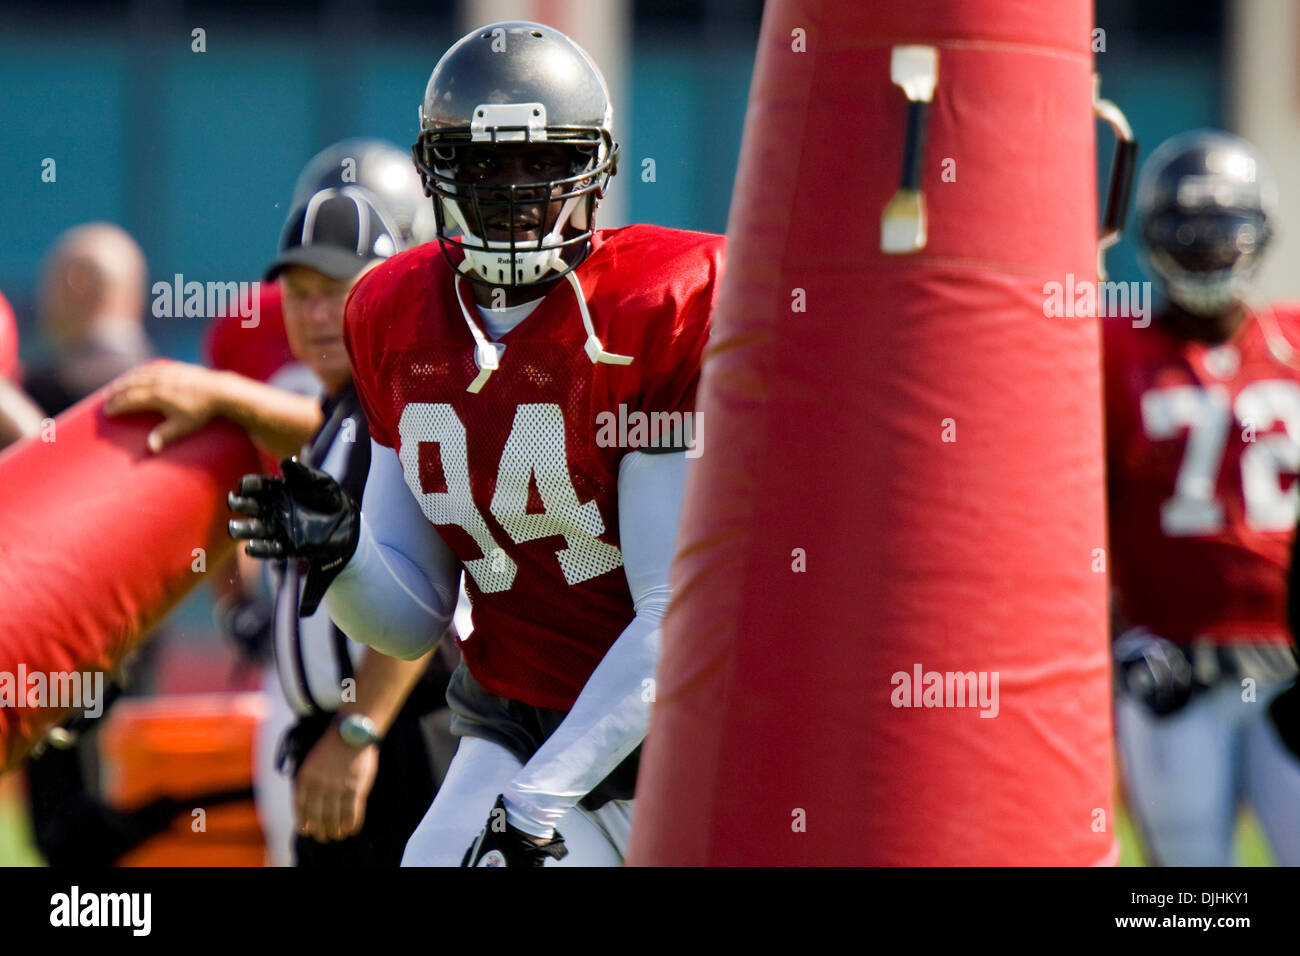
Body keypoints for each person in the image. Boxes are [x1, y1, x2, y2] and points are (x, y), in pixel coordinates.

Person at [229, 19, 725, 867]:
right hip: (513, 718)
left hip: (683, 744)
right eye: (486, 163)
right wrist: (344, 558)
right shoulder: (392, 312)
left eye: (542, 161)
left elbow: (671, 616)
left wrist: (533, 807)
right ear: (439, 170)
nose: (515, 192)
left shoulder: (658, 306)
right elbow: (412, 617)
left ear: (594, 167)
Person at [110, 187, 455, 866]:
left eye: (336, 289)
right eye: (300, 296)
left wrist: (359, 730)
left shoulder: (408, 402)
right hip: (343, 732)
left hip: (398, 737)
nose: (318, 314)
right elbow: (300, 421)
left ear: (384, 287)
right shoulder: (342, 412)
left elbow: (431, 591)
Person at [1105, 129, 1300, 866]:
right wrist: (1119, 636)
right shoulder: (1111, 350)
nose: (1207, 252)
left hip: (1289, 661)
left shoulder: (1293, 341)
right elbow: (1068, 515)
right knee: (1189, 892)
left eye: (1222, 234)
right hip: (1171, 662)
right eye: (1188, 235)